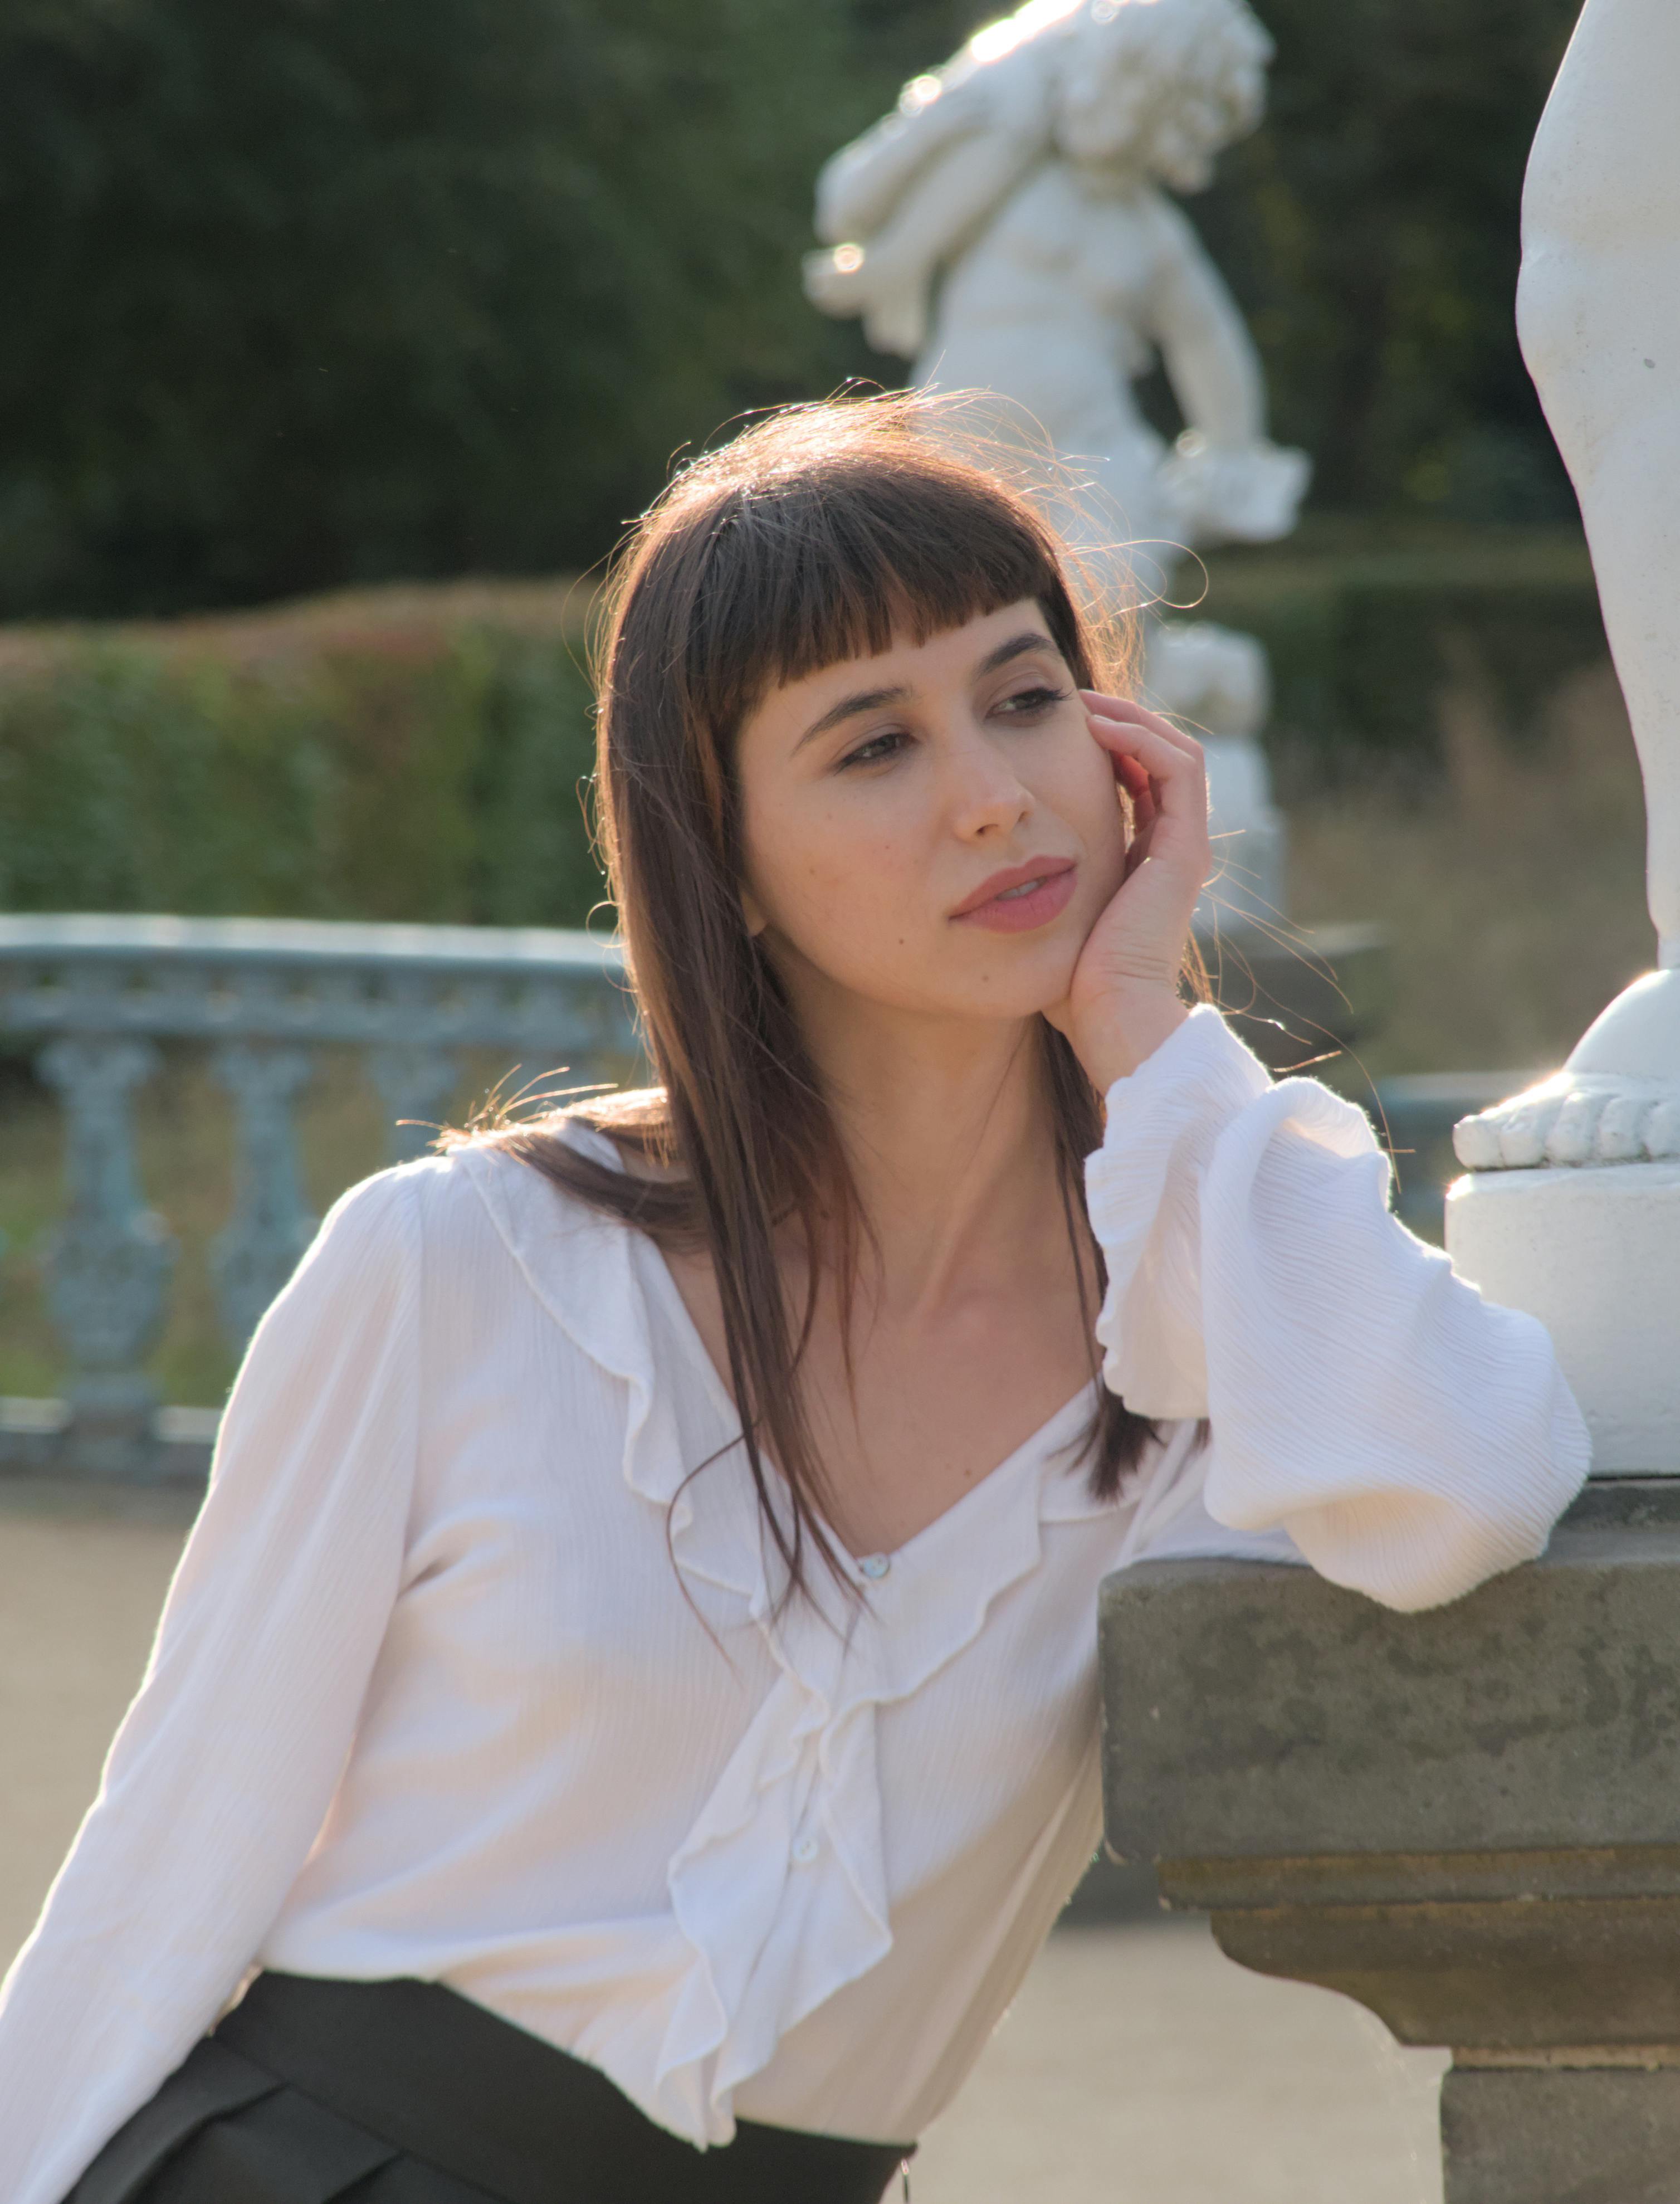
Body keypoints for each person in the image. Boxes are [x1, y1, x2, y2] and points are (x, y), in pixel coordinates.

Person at [0, 394, 1589, 2204]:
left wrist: (1151, 1023)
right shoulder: (458, 1268)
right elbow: (163, 1869)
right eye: (870, 745)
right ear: (725, 860)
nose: (992, 790)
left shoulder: (1195, 1325)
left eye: (1022, 696)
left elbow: (1478, 1475)